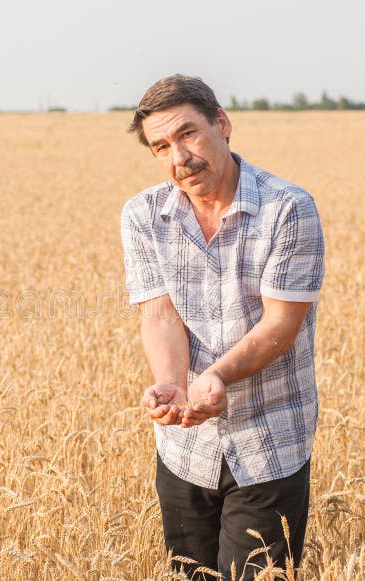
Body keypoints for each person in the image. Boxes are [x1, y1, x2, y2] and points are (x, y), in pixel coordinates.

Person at [120, 74, 325, 580]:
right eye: (161, 146)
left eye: (188, 134)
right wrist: (172, 383)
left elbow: (281, 324)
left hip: (269, 441)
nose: (178, 157)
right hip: (185, 450)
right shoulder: (143, 215)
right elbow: (161, 314)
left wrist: (215, 378)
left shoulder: (287, 209)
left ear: (223, 124)